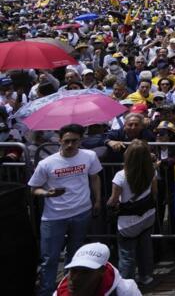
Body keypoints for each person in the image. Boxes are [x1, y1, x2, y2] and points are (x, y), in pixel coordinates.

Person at [28, 124, 103, 296]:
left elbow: (94, 178)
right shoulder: (46, 163)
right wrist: (47, 193)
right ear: (60, 141)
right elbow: (33, 188)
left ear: (80, 141)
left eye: (74, 141)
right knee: (50, 259)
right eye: (67, 141)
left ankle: (69, 291)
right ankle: (46, 292)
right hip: (54, 217)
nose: (70, 145)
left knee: (75, 257)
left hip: (82, 213)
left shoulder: (89, 156)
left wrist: (98, 200)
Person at [107, 140, 157, 286]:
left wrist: (107, 204)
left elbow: (114, 200)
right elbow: (154, 193)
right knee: (145, 249)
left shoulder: (121, 176)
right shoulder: (152, 170)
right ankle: (146, 276)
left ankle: (126, 284)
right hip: (148, 215)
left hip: (128, 222)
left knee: (127, 254)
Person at [53, 242, 141, 296]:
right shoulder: (60, 292)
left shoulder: (126, 291)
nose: (75, 278)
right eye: (73, 270)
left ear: (102, 271)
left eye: (85, 272)